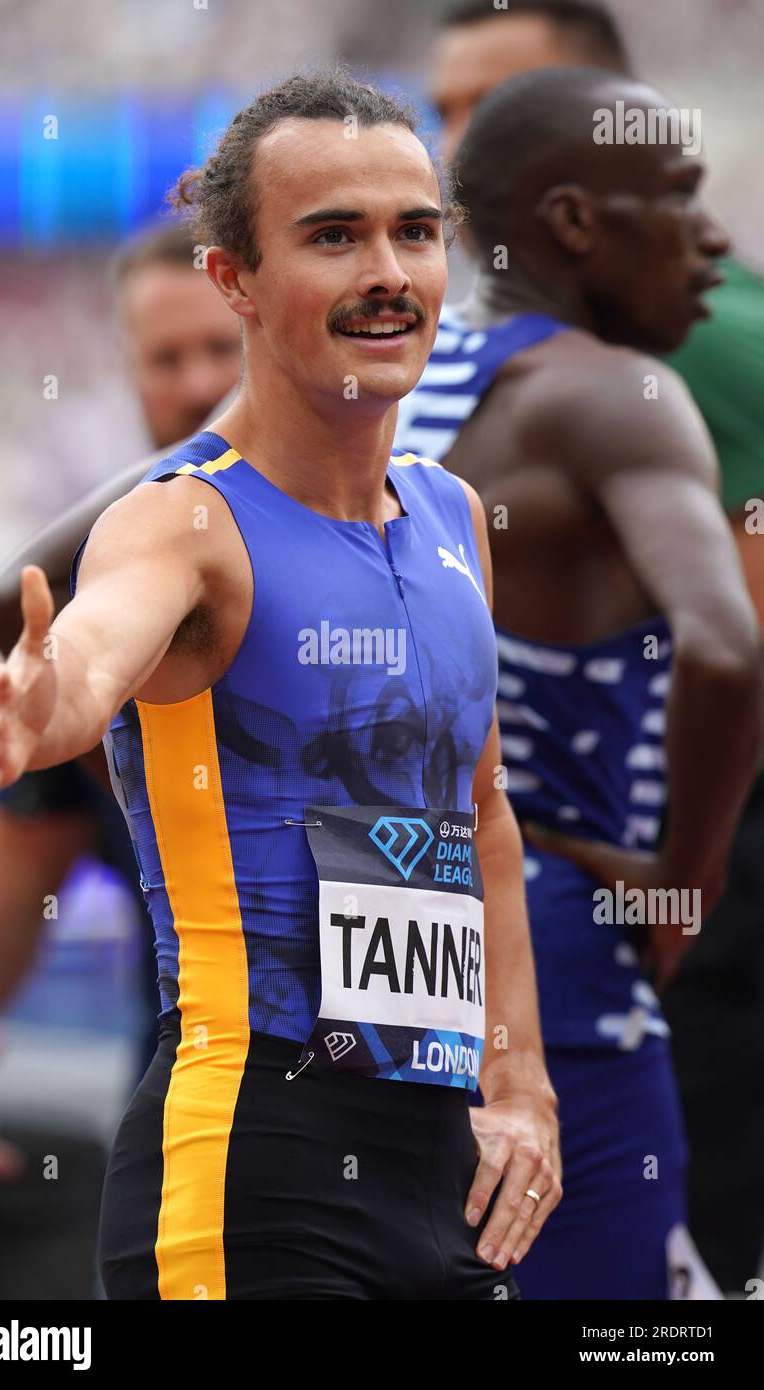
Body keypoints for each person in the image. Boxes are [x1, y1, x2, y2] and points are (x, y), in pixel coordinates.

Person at [0, 69, 561, 1302]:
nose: (386, 271)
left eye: (414, 231)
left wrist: (518, 1084)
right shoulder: (180, 524)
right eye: (332, 236)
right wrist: (49, 701)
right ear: (233, 277)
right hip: (250, 1168)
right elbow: (93, 655)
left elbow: (481, 814)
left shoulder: (452, 516)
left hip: (442, 1175)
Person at [393, 67, 762, 1300]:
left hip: (387, 927)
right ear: (570, 222)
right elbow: (722, 645)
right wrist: (683, 882)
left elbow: (43, 576)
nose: (712, 236)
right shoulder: (619, 393)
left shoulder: (385, 396)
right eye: (676, 195)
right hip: (551, 932)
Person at [0, 221, 242, 1181]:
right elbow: (4, 881)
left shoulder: (422, 544)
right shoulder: (85, 612)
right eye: (166, 358)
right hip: (183, 1138)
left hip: (421, 1129)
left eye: (223, 350)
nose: (198, 384)